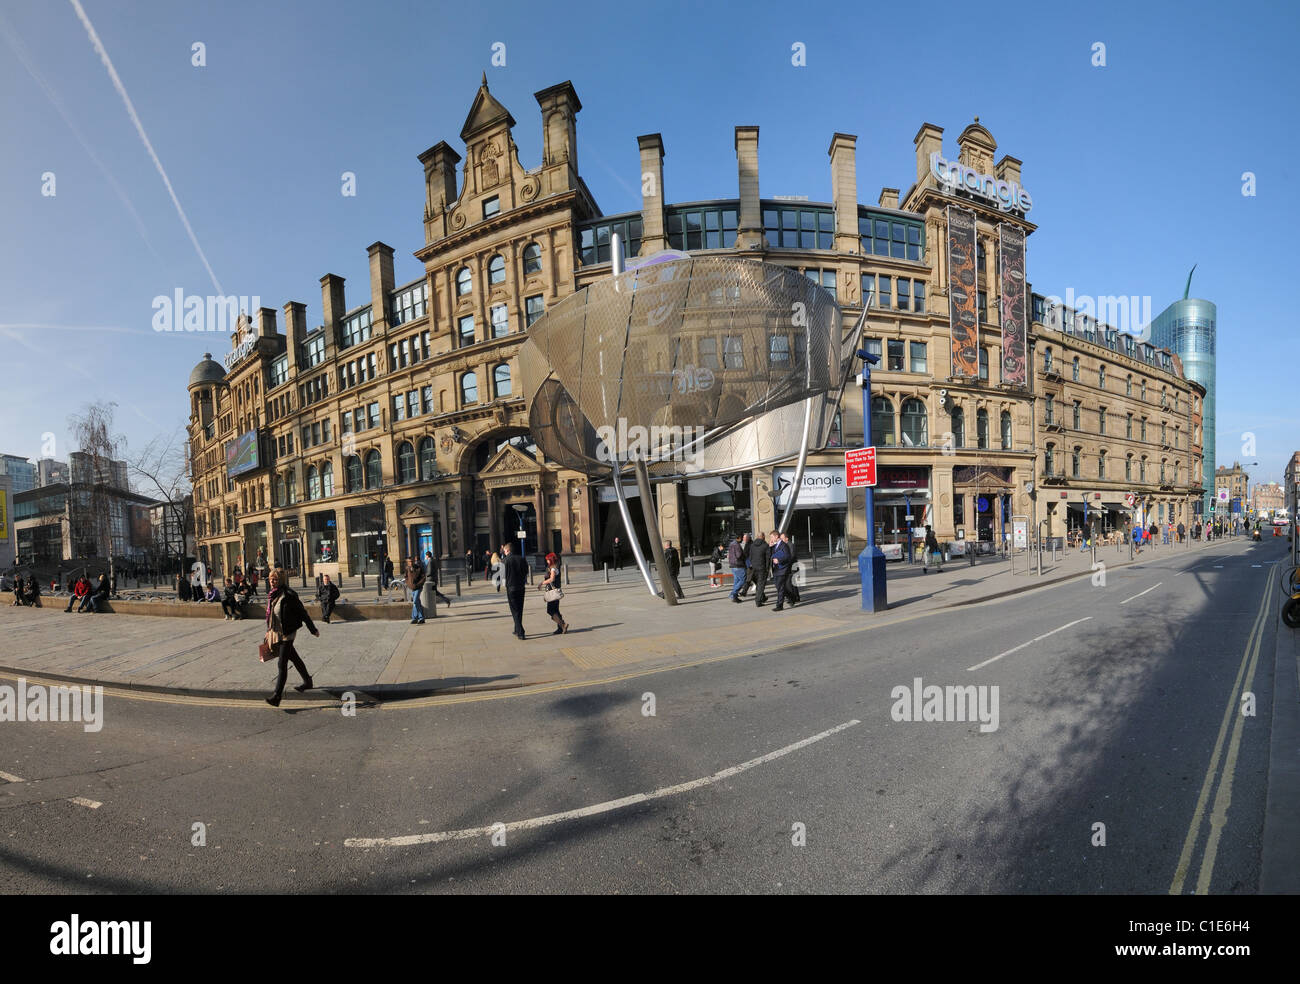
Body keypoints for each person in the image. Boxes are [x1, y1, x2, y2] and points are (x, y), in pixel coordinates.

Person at [264, 567, 319, 707]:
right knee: (293, 657)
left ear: (281, 580)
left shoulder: (289, 595)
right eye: (270, 579)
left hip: (288, 632)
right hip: (277, 632)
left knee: (281, 663)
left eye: (275, 579)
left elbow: (303, 613)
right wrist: (269, 630)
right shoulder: (272, 594)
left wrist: (312, 629)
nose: (272, 581)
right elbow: (271, 615)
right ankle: (308, 681)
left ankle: (277, 696)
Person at [502, 541, 529, 639]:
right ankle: (516, 629)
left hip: (511, 587)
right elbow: (526, 571)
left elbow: (502, 575)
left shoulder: (505, 561)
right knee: (519, 609)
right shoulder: (521, 559)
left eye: (504, 551)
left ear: (508, 550)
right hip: (521, 587)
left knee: (514, 610)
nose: (504, 552)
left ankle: (520, 632)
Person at [539, 551, 568, 634]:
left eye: (548, 560)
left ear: (551, 560)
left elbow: (552, 579)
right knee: (556, 610)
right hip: (554, 592)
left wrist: (542, 583)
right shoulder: (555, 567)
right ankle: (560, 628)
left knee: (550, 610)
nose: (547, 561)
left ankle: (563, 625)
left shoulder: (553, 569)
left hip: (553, 593)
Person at [771, 532, 793, 612]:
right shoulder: (775, 545)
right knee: (778, 587)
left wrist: (779, 560)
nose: (771, 539)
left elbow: (788, 556)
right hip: (776, 569)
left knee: (780, 588)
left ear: (776, 536)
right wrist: (770, 547)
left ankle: (779, 605)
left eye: (772, 537)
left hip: (782, 569)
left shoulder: (784, 545)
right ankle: (791, 597)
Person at [747, 531, 770, 606]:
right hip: (762, 568)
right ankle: (758, 601)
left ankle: (763, 598)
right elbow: (768, 558)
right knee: (761, 585)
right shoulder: (765, 545)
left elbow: (750, 556)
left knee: (758, 584)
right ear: (763, 537)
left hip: (753, 568)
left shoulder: (752, 545)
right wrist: (767, 569)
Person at [780, 532, 801, 606]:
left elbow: (791, 556)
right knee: (792, 583)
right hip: (789, 566)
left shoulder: (790, 545)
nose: (781, 540)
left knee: (790, 583)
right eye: (781, 538)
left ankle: (793, 598)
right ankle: (796, 597)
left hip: (792, 566)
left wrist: (784, 561)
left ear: (786, 538)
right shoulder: (784, 545)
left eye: (782, 538)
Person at [727, 534, 747, 603]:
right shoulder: (737, 545)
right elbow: (739, 555)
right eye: (741, 538)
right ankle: (733, 593)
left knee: (737, 580)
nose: (742, 540)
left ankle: (733, 596)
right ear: (739, 538)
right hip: (738, 565)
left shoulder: (731, 544)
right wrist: (744, 556)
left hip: (732, 565)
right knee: (743, 580)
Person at [406, 557, 426, 624]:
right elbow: (406, 577)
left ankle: (415, 617)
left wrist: (418, 584)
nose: (411, 563)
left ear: (414, 561)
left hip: (418, 587)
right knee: (417, 602)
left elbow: (423, 577)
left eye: (412, 561)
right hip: (412, 588)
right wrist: (408, 584)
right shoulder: (407, 568)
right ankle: (421, 618)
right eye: (409, 561)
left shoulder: (418, 568)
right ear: (407, 562)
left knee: (415, 601)